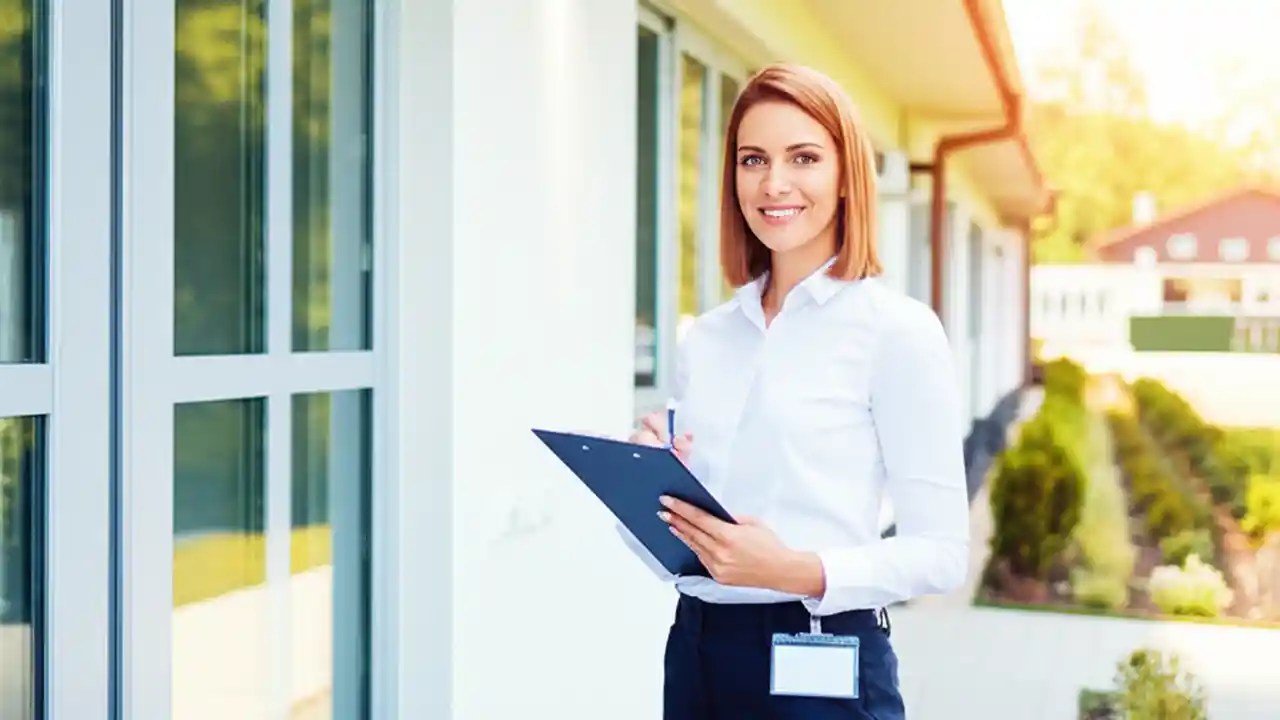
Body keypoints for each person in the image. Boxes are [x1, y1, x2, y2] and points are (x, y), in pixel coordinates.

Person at [625, 63, 970, 719]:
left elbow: (943, 555)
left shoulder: (894, 332)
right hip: (696, 650)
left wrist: (796, 570)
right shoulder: (708, 339)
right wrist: (648, 486)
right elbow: (673, 549)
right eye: (753, 159)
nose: (774, 183)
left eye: (803, 157)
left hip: (819, 656)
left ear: (846, 178)